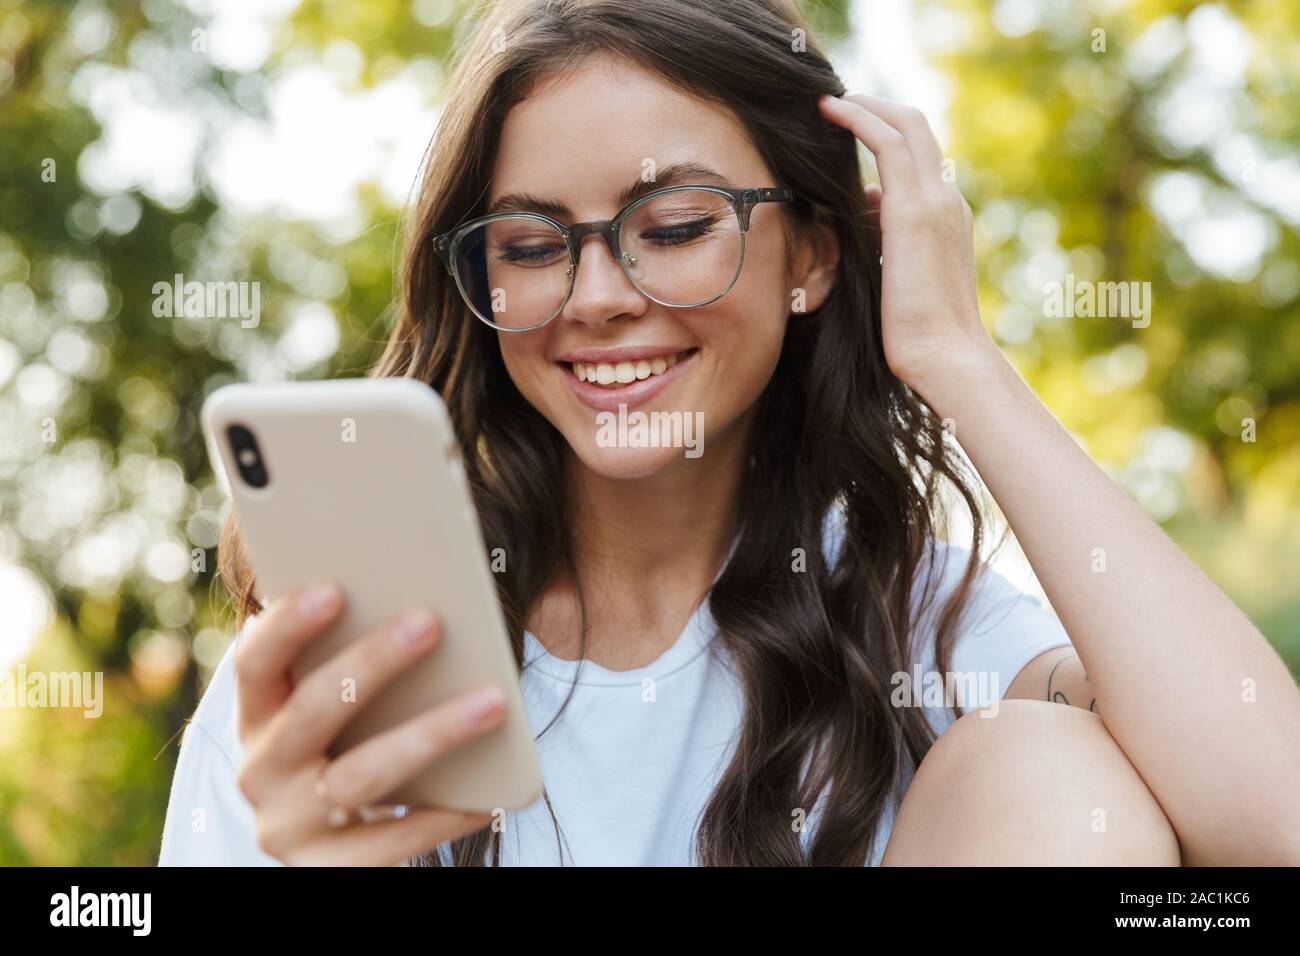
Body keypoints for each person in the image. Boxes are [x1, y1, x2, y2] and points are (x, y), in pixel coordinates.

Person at [159, 0, 1300, 866]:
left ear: (812, 253)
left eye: (676, 224)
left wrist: (962, 360)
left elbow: (1274, 814)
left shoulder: (915, 626)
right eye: (529, 241)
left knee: (1052, 765)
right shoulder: (353, 664)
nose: (597, 294)